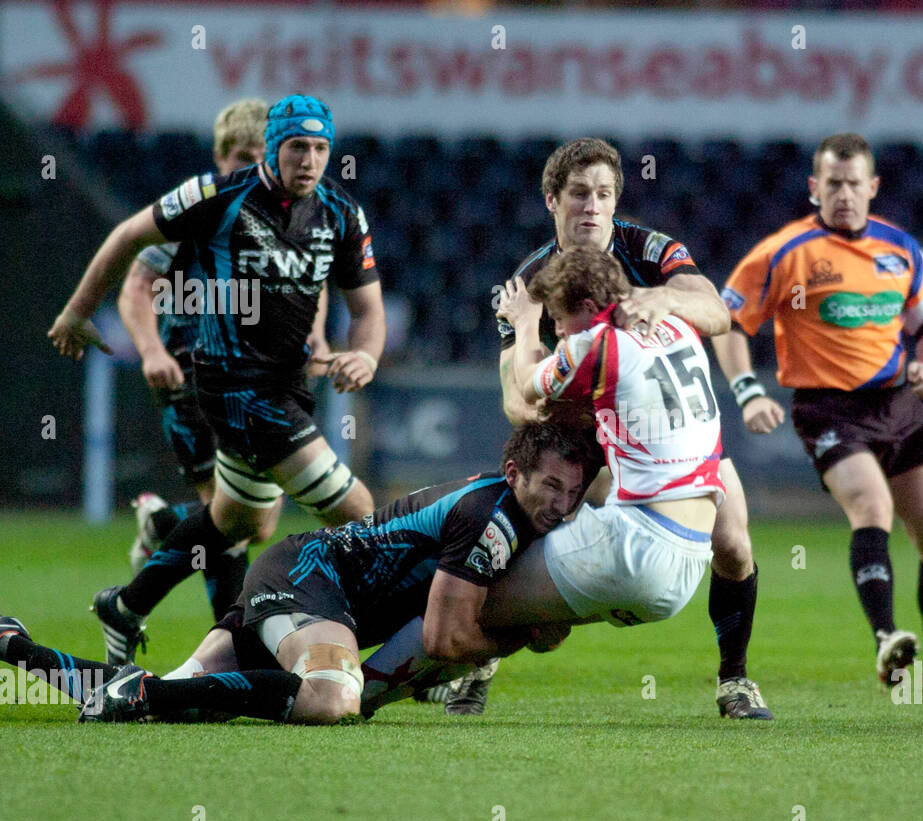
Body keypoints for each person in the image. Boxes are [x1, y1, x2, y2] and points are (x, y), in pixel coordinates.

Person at [47, 94, 386, 668]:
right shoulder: (215, 197)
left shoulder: (341, 213)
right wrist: (80, 311)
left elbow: (365, 307)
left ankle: (127, 605)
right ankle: (397, 650)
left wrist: (365, 356)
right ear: (270, 150)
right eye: (296, 147)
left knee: (241, 521)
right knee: (361, 515)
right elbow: (130, 239)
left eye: (320, 147)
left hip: (286, 386)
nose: (308, 159)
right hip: (231, 386)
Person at [0, 422, 594, 725]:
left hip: (312, 587)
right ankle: (143, 693)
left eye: (572, 492)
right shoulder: (488, 515)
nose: (561, 505)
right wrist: (518, 637)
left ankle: (17, 648)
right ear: (513, 471)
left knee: (192, 694)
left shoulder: (510, 512)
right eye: (550, 486)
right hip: (312, 578)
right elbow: (445, 636)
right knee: (333, 698)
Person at [479, 137, 771, 720]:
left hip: (664, 426)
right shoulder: (528, 282)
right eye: (579, 193)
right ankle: (475, 659)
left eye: (604, 194)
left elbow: (719, 315)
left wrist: (660, 299)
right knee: (535, 521)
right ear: (551, 200)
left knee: (735, 544)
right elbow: (518, 404)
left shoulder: (652, 250)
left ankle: (735, 681)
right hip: (581, 431)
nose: (592, 205)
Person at [719, 132, 923, 688]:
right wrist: (747, 390)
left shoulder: (902, 249)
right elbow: (730, 319)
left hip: (900, 405)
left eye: (853, 183)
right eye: (831, 183)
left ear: (872, 187)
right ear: (814, 187)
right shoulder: (785, 252)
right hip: (829, 410)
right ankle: (888, 641)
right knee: (872, 505)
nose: (842, 193)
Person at [116, 97, 327, 621]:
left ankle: (164, 530)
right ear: (220, 155)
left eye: (259, 153)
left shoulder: (288, 219)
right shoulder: (200, 212)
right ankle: (231, 636)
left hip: (262, 383)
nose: (248, 164)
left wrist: (318, 340)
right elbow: (136, 288)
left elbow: (310, 288)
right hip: (193, 375)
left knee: (252, 521)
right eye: (239, 155)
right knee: (233, 520)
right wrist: (151, 351)